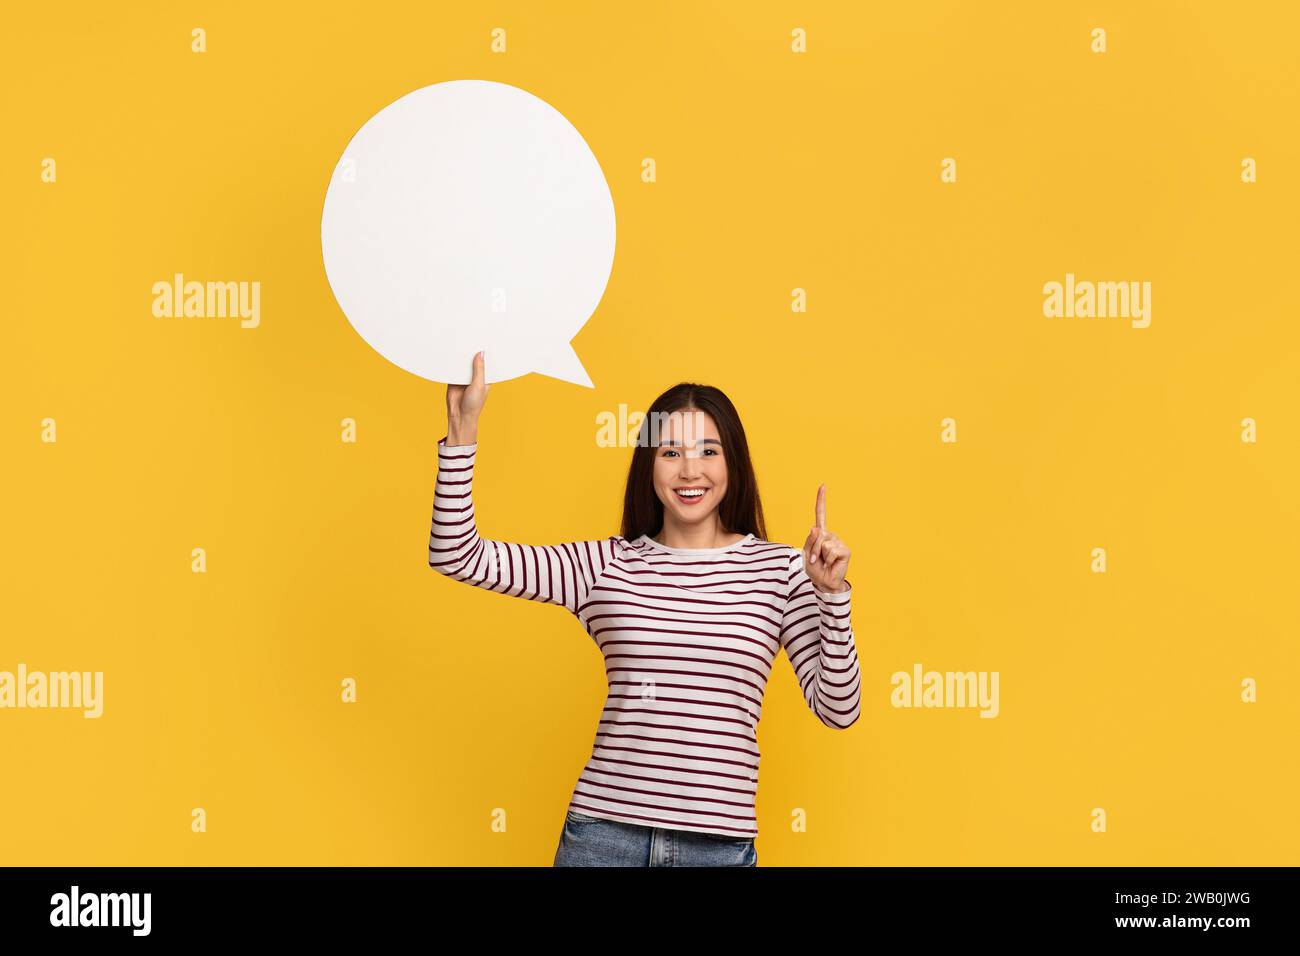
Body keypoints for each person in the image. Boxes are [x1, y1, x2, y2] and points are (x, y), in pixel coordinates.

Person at [428, 352, 861, 866]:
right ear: (648, 465)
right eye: (670, 453)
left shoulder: (781, 572)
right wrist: (462, 431)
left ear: (733, 463)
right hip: (602, 839)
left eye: (708, 451)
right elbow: (457, 554)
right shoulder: (604, 565)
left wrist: (832, 597)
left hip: (716, 849)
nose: (690, 470)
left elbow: (839, 710)